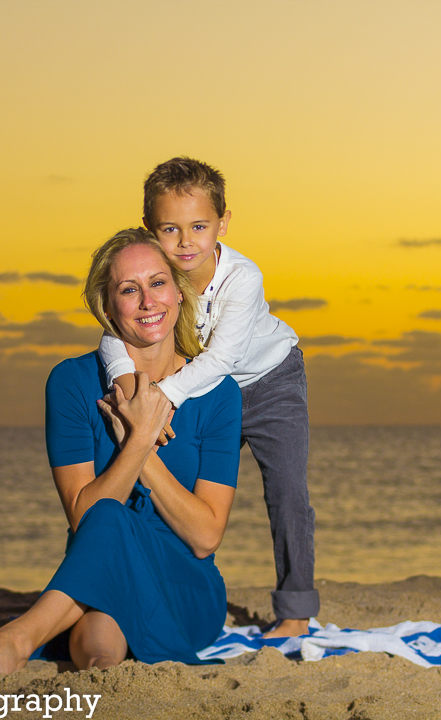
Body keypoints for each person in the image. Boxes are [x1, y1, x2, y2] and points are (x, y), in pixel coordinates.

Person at [0, 228, 241, 677]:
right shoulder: (71, 383)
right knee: (100, 621)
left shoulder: (220, 394)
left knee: (112, 526)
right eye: (129, 290)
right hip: (95, 573)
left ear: (179, 290)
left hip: (185, 587)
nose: (148, 301)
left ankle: (17, 639)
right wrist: (137, 442)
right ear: (108, 305)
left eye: (157, 283)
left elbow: (206, 536)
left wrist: (140, 442)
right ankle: (102, 679)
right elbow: (83, 517)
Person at [99, 157, 318, 638]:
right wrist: (126, 382)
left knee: (286, 490)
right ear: (148, 229)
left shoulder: (243, 277)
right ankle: (166, 589)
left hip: (267, 382)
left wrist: (159, 398)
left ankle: (296, 610)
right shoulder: (151, 274)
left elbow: (221, 359)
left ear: (223, 222)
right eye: (169, 229)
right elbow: (115, 331)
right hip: (200, 391)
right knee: (166, 477)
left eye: (199, 226)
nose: (185, 242)